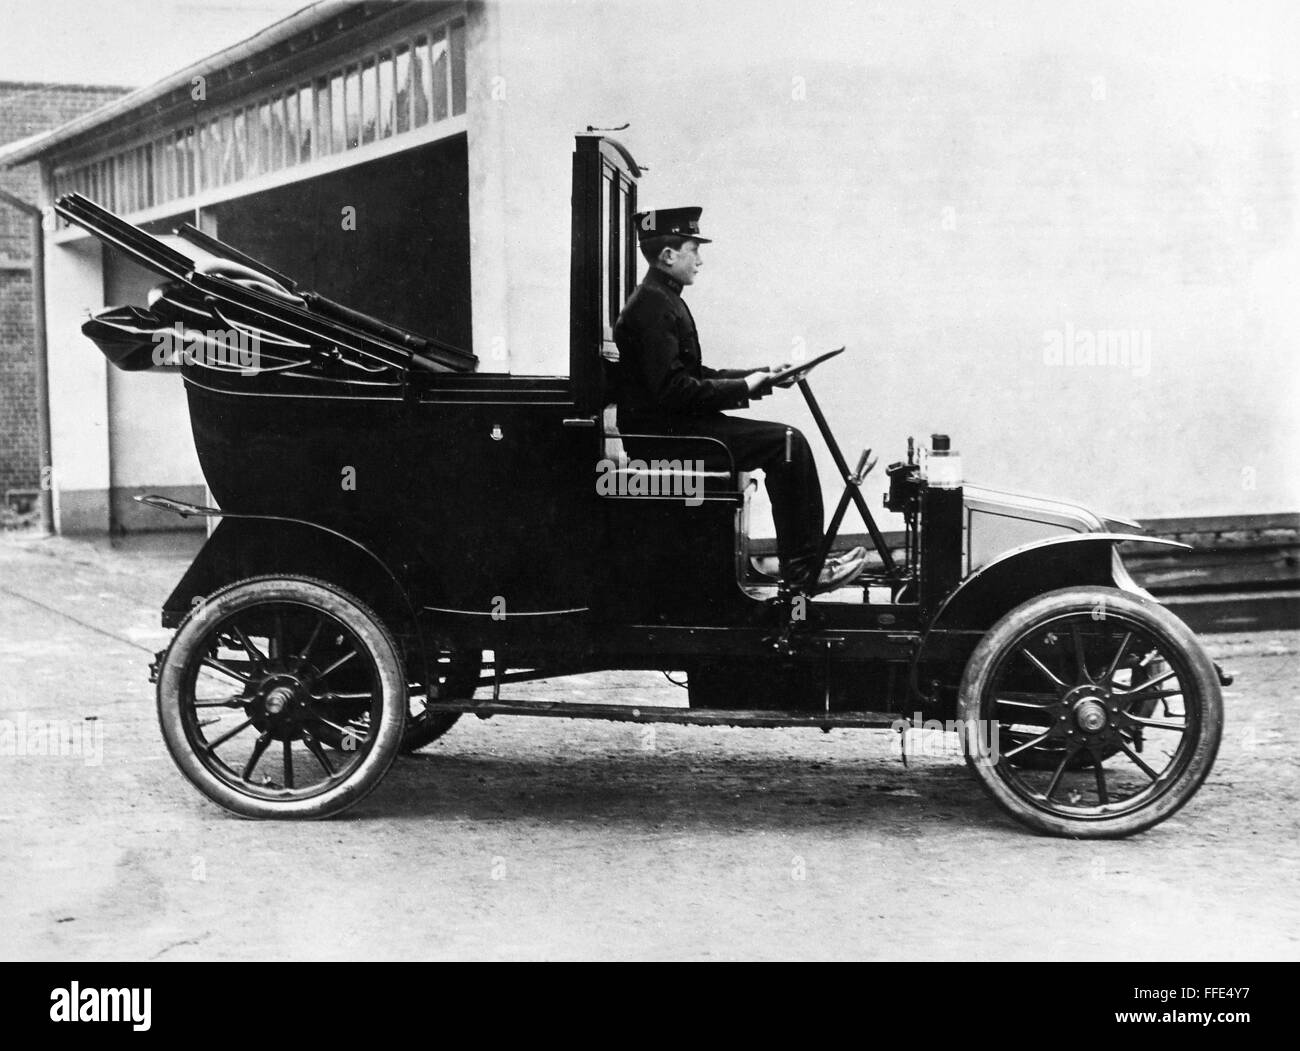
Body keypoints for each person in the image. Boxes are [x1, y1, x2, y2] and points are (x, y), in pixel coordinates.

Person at [611, 206, 868, 593]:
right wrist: (747, 385)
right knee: (788, 443)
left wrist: (762, 377)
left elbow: (692, 377)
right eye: (693, 249)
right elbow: (675, 391)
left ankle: (804, 564)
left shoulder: (660, 299)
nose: (699, 260)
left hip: (676, 430)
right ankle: (803, 570)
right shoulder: (653, 306)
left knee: (787, 441)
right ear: (668, 256)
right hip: (670, 440)